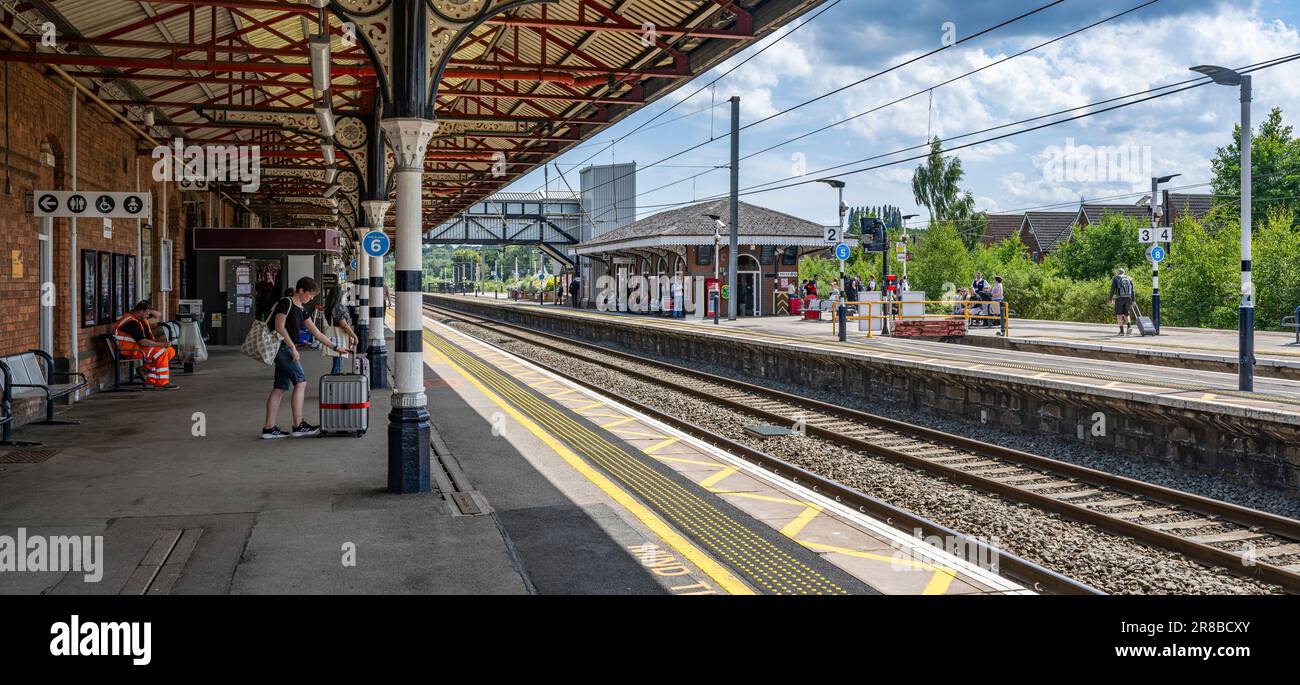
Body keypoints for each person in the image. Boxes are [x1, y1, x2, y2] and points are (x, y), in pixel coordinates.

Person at [262, 277, 348, 439]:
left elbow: (317, 333)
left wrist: (336, 347)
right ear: (301, 291)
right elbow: (279, 326)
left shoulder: (303, 310)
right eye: (310, 294)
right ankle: (298, 425)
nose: (311, 298)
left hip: (287, 348)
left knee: (279, 388)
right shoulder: (286, 303)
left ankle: (269, 428)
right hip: (282, 348)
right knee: (301, 382)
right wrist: (293, 348)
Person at [113, 300, 178, 391]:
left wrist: (156, 342)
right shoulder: (132, 322)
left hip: (137, 348)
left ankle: (149, 379)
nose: (148, 316)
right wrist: (161, 344)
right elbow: (143, 342)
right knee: (161, 352)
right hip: (128, 350)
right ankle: (162, 383)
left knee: (170, 351)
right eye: (147, 314)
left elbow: (157, 314)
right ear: (141, 311)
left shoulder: (138, 317)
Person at [323, 283, 359, 375]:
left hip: (336, 336)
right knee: (338, 363)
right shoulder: (337, 307)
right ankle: (333, 385)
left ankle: (333, 384)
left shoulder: (330, 306)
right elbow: (344, 325)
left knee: (337, 362)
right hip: (339, 336)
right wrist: (354, 336)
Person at [1110, 267, 1136, 335]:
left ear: (1118, 272)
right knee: (1126, 314)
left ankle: (1121, 331)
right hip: (1128, 298)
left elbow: (1112, 289)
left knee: (1119, 315)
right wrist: (1133, 300)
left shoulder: (1116, 278)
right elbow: (1133, 290)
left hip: (1119, 298)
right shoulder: (1129, 278)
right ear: (1124, 272)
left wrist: (1110, 299)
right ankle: (1129, 327)